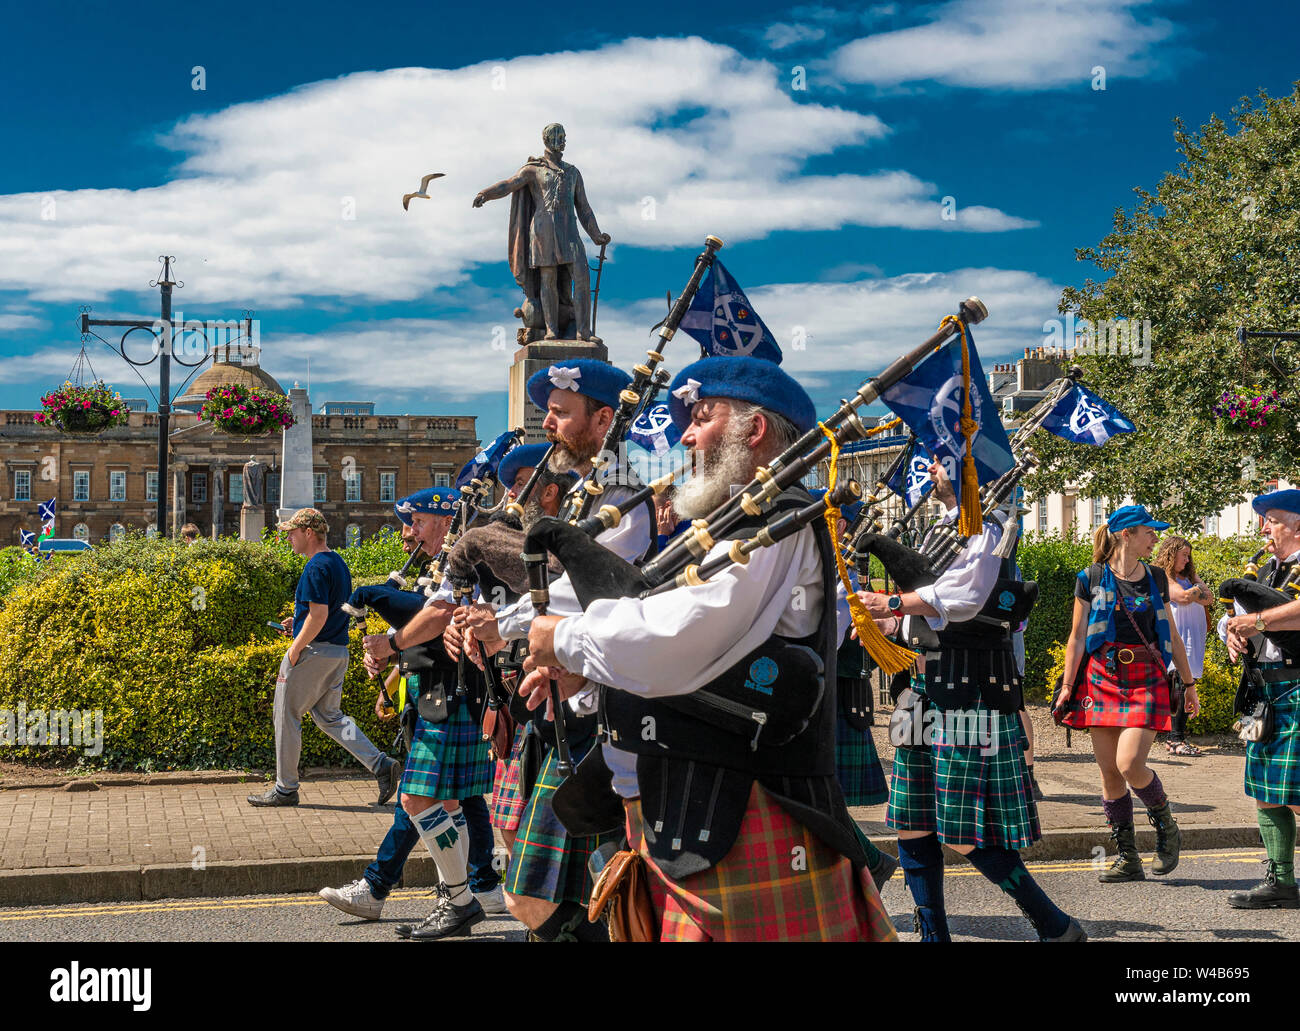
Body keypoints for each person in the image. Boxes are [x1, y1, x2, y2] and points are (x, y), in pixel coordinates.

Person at [520, 356, 896, 941]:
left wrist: (564, 640)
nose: (686, 436)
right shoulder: (733, 525)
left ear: (756, 429)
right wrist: (587, 678)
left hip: (745, 808)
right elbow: (688, 651)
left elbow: (680, 639)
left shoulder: (778, 520)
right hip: (692, 809)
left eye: (701, 417)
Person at [457, 360, 655, 942]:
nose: (547, 423)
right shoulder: (588, 492)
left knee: (572, 893)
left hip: (619, 706)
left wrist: (506, 624)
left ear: (604, 417)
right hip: (577, 701)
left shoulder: (628, 491)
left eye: (560, 413)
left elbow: (594, 587)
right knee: (555, 892)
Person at [865, 466, 1083, 942]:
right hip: (923, 694)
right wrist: (878, 617)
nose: (932, 469)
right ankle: (933, 937)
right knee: (911, 822)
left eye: (944, 461)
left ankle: (1055, 925)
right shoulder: (938, 530)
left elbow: (968, 604)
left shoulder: (991, 531)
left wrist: (895, 607)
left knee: (964, 834)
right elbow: (931, 621)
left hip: (970, 700)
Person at [319, 494, 502, 921]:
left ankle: (409, 890)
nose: (410, 532)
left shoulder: (466, 560)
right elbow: (429, 628)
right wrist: (391, 659)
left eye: (417, 522)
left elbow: (437, 621)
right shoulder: (440, 566)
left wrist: (391, 641)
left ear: (443, 520)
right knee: (451, 800)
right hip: (439, 691)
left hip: (455, 693)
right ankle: (473, 890)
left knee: (420, 797)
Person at [1054, 505, 1199, 883]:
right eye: (1149, 532)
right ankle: (1128, 857)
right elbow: (1077, 637)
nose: (1155, 538)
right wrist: (1068, 686)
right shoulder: (1091, 577)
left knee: (1130, 764)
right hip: (1102, 676)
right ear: (1126, 535)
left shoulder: (1155, 578)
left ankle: (1167, 829)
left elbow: (1172, 636)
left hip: (1146, 677)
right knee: (1109, 775)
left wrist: (1188, 684)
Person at [248, 508, 399, 808]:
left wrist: (295, 649)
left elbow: (318, 615)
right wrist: (298, 623)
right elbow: (326, 612)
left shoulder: (315, 566)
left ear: (308, 533)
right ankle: (381, 764)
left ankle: (285, 788)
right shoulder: (337, 563)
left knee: (286, 715)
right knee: (330, 717)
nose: (288, 537)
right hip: (336, 652)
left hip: (313, 653)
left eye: (292, 532)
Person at [1220, 488, 1300, 909]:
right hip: (1265, 690)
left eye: (1272, 519)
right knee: (1267, 789)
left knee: (1298, 794)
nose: (1263, 527)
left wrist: (1254, 620)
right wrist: (1231, 632)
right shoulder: (1267, 570)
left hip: (1299, 685)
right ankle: (1282, 881)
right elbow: (1236, 615)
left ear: (1298, 524)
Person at [1153, 534, 1214, 756]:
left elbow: (1209, 598)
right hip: (1178, 639)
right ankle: (1175, 739)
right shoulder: (1163, 577)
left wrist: (1194, 586)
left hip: (1193, 639)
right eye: (1184, 555)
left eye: (1189, 556)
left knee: (1186, 683)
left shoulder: (1188, 576)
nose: (1188, 560)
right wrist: (1196, 591)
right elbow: (1183, 598)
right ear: (1171, 554)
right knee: (1179, 685)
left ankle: (1177, 737)